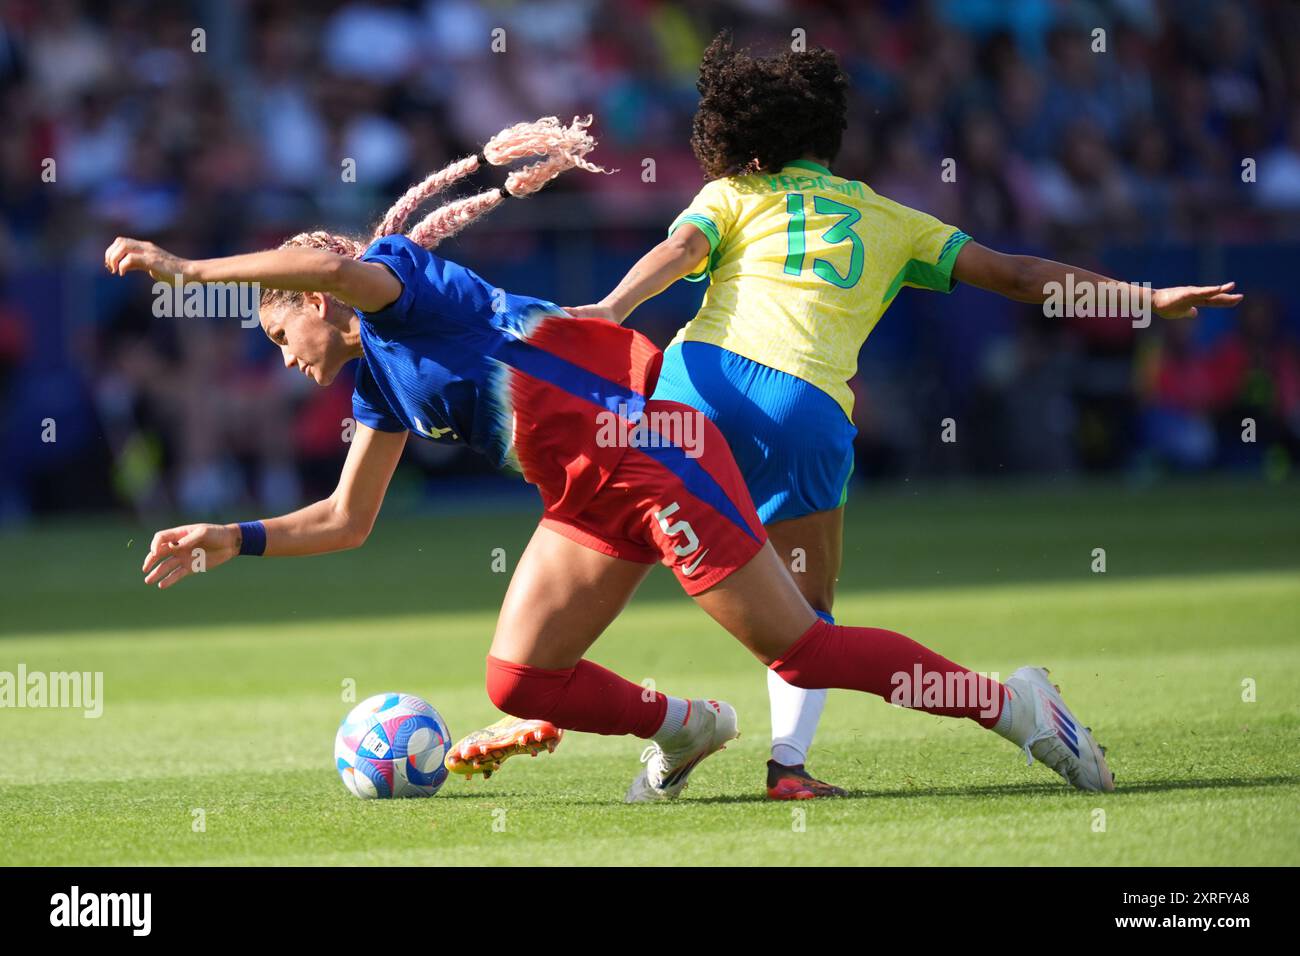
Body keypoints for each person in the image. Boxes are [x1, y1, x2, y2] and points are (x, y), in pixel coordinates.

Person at [116, 115, 1115, 804]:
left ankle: (1014, 704)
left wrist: (191, 269)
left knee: (801, 647)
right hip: (584, 489)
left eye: (275, 329)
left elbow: (335, 264)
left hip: (645, 445)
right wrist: (230, 538)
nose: (281, 357)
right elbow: (345, 520)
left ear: (316, 301)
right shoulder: (378, 377)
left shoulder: (396, 281)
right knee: (518, 678)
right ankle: (686, 723)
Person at [565, 34, 1242, 799]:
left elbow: (680, 249)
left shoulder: (733, 194)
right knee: (809, 624)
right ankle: (789, 768)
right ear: (829, 137)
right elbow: (1020, 276)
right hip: (803, 409)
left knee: (606, 547)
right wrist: (1145, 300)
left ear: (742, 143)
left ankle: (619, 711)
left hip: (696, 391)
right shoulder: (891, 217)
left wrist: (611, 309)